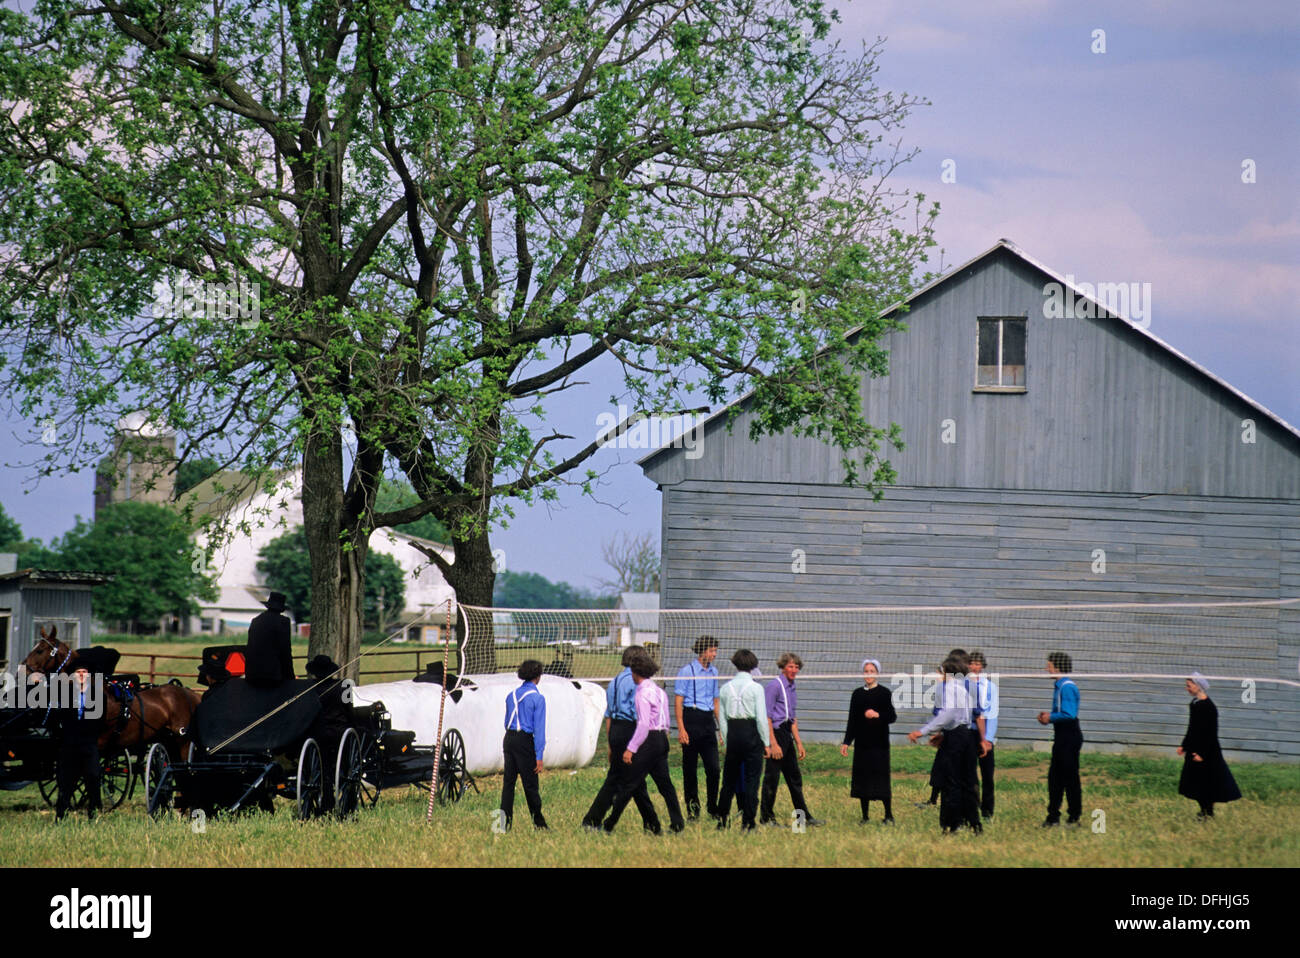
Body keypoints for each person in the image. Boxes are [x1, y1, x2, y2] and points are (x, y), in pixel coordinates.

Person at [603, 653, 685, 834]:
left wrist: (631, 748)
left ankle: (609, 824)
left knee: (629, 783)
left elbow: (643, 724)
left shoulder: (642, 693)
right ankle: (677, 823)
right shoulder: (659, 691)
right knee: (665, 785)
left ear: (635, 673)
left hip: (649, 740)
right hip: (662, 738)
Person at [581, 646, 657, 831]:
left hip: (615, 729)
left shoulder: (614, 681)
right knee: (627, 779)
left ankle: (651, 823)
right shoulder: (634, 682)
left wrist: (610, 743)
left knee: (627, 778)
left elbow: (609, 715)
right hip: (629, 729)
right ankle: (592, 820)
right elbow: (637, 712)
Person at [907, 653, 983, 834]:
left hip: (956, 738)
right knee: (966, 782)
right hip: (965, 736)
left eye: (941, 671)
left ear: (948, 672)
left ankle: (951, 825)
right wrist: (944, 734)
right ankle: (974, 824)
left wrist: (923, 731)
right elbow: (960, 716)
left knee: (951, 783)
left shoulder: (949, 687)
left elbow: (947, 714)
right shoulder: (963, 689)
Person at [760, 652, 822, 827]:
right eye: (790, 666)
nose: (794, 670)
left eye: (796, 667)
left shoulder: (792, 686)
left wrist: (799, 742)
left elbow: (792, 719)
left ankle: (803, 818)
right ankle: (766, 818)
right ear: (783, 667)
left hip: (786, 733)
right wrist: (773, 743)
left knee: (794, 778)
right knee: (771, 778)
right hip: (776, 734)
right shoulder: (774, 686)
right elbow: (767, 717)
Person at [716, 649, 771, 830]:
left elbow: (722, 718)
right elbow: (762, 718)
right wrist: (767, 743)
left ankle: (722, 820)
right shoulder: (756, 688)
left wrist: (726, 737)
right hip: (751, 732)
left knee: (728, 781)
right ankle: (748, 822)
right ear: (753, 665)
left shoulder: (725, 688)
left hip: (733, 733)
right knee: (752, 780)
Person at [53, 649, 110, 822]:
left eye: (84, 672)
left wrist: (91, 736)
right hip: (69, 744)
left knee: (93, 777)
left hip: (89, 743)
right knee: (66, 781)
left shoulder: (98, 696)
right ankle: (60, 815)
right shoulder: (65, 695)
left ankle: (93, 813)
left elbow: (101, 721)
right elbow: (57, 718)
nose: (82, 675)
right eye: (78, 672)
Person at [840, 658, 897, 824]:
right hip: (862, 744)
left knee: (881, 778)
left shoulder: (884, 693)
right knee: (862, 779)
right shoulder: (857, 694)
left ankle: (888, 815)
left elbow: (892, 717)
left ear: (877, 673)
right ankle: (865, 816)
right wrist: (846, 742)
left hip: (879, 744)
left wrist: (877, 715)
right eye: (866, 671)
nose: (869, 675)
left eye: (872, 671)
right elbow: (852, 721)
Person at [1177, 673, 1241, 820]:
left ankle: (1208, 813)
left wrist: (1203, 754)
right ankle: (1204, 811)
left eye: (1189, 685)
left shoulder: (1209, 707)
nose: (1187, 688)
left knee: (1207, 784)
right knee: (1195, 783)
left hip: (1208, 752)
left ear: (1198, 686)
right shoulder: (1194, 704)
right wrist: (1184, 745)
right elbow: (1192, 728)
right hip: (1194, 749)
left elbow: (1211, 733)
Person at [674, 634, 721, 821]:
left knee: (714, 769)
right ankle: (693, 810)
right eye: (712, 651)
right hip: (691, 718)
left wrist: (721, 727)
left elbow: (716, 701)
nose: (714, 654)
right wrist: (681, 729)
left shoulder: (715, 672)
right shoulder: (686, 671)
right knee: (690, 770)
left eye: (715, 651)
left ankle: (712, 807)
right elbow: (678, 702)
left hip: (708, 721)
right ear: (702, 652)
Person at [500, 660, 548, 831]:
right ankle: (539, 823)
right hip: (524, 740)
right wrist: (539, 755)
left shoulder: (510, 695)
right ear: (538, 676)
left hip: (509, 738)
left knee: (508, 784)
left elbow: (507, 720)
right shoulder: (538, 698)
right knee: (530, 784)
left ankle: (503, 824)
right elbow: (539, 729)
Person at [1037, 651, 1082, 827]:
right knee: (1055, 777)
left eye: (1048, 666)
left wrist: (1051, 717)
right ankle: (1053, 816)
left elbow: (1070, 714)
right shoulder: (1059, 686)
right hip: (1061, 736)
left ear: (1056, 666)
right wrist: (1047, 718)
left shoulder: (1067, 687)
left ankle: (1074, 817)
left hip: (1069, 736)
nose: (1046, 669)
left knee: (1070, 778)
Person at [968, 650, 999, 819]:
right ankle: (972, 807)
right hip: (969, 733)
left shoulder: (990, 687)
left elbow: (992, 714)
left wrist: (987, 739)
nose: (974, 666)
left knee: (987, 775)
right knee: (970, 774)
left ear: (982, 666)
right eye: (971, 663)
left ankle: (988, 811)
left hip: (985, 732)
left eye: (977, 663)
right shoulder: (962, 684)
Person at [245, 591, 294, 688]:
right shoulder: (283, 622)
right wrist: (290, 676)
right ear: (281, 608)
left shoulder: (256, 620)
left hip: (253, 673)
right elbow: (285, 650)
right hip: (273, 674)